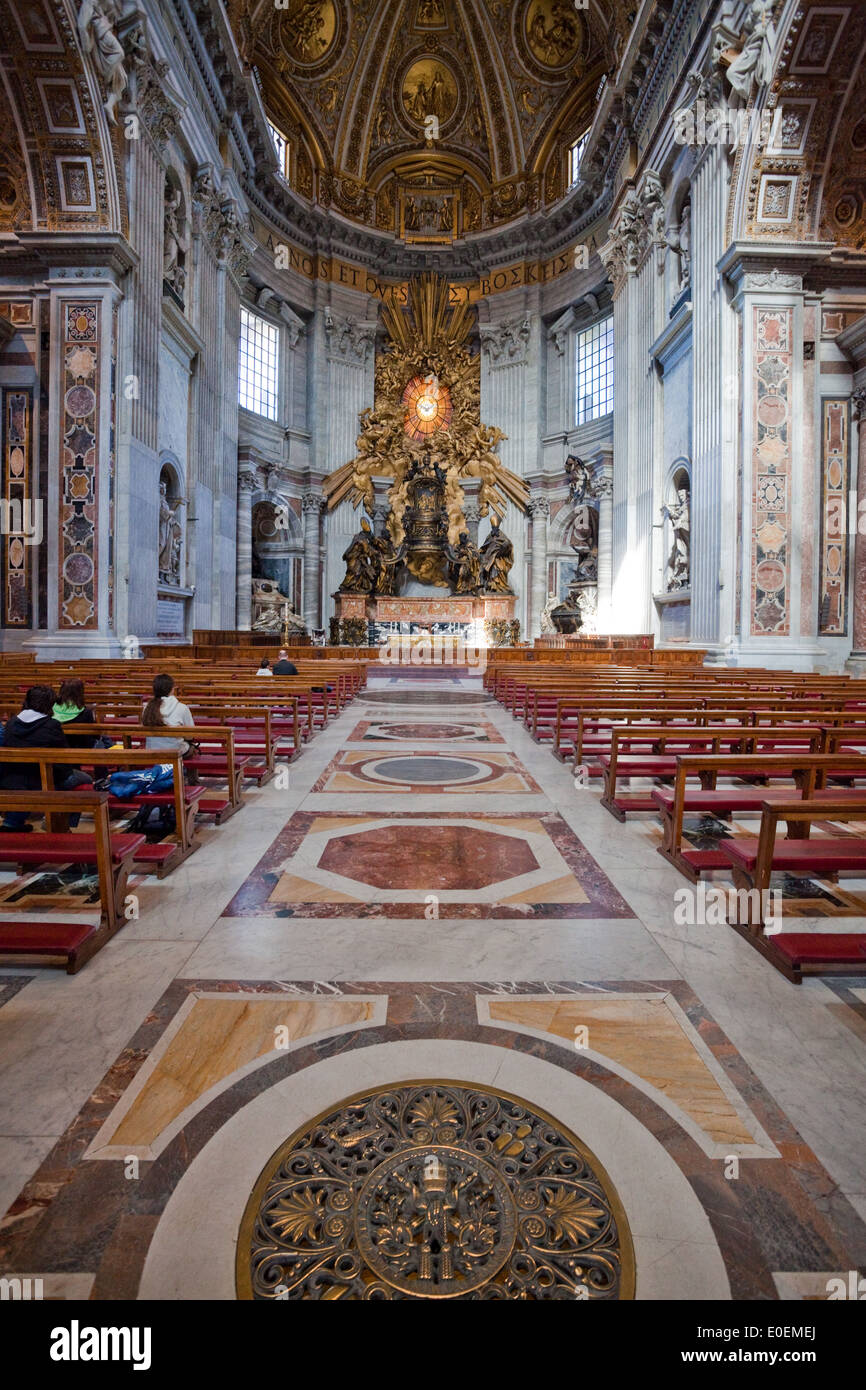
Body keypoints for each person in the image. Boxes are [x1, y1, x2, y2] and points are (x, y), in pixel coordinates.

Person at [0, 685, 88, 832]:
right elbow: (63, 756)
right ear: (50, 703)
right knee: (84, 779)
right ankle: (61, 825)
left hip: (11, 778)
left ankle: (13, 823)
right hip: (42, 779)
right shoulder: (51, 725)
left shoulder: (11, 723)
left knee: (24, 781)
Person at [142, 674, 195, 753]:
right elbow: (190, 736)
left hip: (152, 750)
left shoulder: (147, 707)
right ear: (172, 689)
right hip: (175, 751)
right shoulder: (182, 708)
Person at [53, 680, 97, 749]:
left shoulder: (51, 709)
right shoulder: (86, 712)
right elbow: (93, 735)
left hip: (57, 748)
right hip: (82, 750)